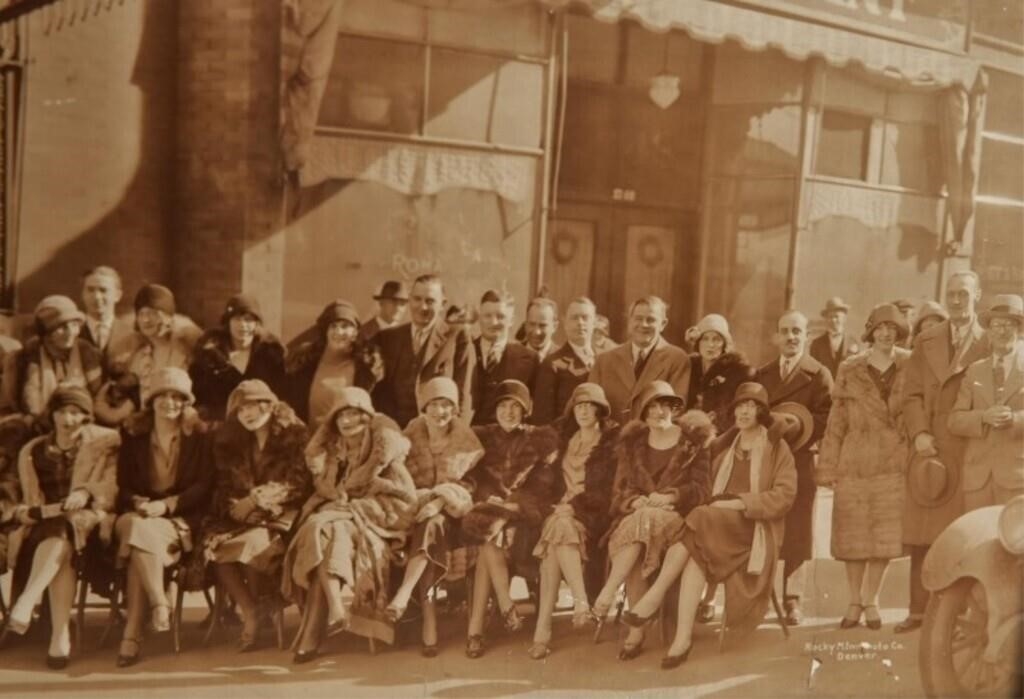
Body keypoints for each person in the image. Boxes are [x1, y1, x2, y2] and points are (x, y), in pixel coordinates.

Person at [617, 382, 796, 668]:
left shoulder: (777, 448)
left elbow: (784, 497)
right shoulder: (725, 448)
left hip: (752, 529)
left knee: (700, 516)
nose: (744, 411)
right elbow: (704, 489)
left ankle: (653, 597)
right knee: (695, 556)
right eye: (740, 405)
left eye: (751, 406)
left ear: (762, 412)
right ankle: (682, 639)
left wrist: (736, 503)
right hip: (715, 529)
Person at [285, 387, 416, 663]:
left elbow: (405, 500)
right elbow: (326, 491)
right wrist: (336, 503)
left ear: (367, 418)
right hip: (339, 521)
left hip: (376, 522)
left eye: (354, 414)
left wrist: (355, 507)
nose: (347, 422)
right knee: (327, 531)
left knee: (321, 526)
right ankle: (336, 609)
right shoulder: (335, 450)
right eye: (342, 416)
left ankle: (322, 623)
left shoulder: (385, 455)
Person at [590, 381, 712, 660]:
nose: (659, 412)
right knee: (636, 536)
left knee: (643, 525)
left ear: (674, 409)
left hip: (677, 522)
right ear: (643, 414)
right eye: (652, 407)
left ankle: (609, 593)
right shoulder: (632, 444)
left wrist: (671, 497)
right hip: (637, 521)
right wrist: (634, 500)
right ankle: (637, 627)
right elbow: (620, 490)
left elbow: (703, 490)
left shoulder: (692, 441)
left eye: (665, 405)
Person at [3, 385, 120, 668]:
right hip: (39, 529)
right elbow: (15, 494)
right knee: (59, 540)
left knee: (64, 534)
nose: (68, 420)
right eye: (62, 412)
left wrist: (87, 492)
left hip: (87, 530)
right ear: (52, 415)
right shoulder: (33, 451)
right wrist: (21, 512)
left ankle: (27, 603)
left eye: (76, 413)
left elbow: (113, 485)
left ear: (86, 418)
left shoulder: (102, 447)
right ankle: (59, 637)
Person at [900, 270, 990, 633]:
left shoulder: (989, 342)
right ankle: (918, 611)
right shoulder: (927, 340)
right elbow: (911, 394)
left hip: (970, 447)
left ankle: (958, 616)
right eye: (951, 294)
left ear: (977, 296)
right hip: (932, 447)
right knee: (923, 531)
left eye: (963, 295)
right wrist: (920, 433)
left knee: (963, 533)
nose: (956, 301)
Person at [815, 304, 910, 631]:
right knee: (852, 536)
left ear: (900, 332)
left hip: (893, 462)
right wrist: (828, 466)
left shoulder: (910, 364)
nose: (886, 334)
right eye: (880, 328)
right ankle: (853, 600)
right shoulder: (850, 367)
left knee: (883, 537)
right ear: (870, 333)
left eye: (892, 329)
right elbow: (836, 421)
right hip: (854, 462)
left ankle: (873, 599)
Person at [113, 367, 213, 666]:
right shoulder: (134, 436)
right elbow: (123, 486)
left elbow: (203, 485)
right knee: (135, 525)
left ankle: (132, 634)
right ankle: (159, 602)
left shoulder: (198, 437)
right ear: (151, 401)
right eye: (163, 396)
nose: (170, 402)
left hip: (179, 516)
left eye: (178, 397)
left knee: (138, 544)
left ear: (186, 403)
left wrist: (167, 505)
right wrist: (139, 501)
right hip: (138, 512)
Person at [202, 380, 310, 651]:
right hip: (243, 518)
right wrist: (237, 508)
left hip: (285, 515)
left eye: (252, 407)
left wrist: (257, 500)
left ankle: (264, 608)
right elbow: (224, 484)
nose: (247, 414)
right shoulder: (232, 441)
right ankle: (251, 611)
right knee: (216, 550)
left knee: (253, 546)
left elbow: (299, 483)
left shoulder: (294, 434)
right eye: (241, 410)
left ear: (270, 406)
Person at [460, 379, 558, 659]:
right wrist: (483, 498)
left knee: (486, 535)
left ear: (525, 410)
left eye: (515, 407)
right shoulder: (481, 436)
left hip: (524, 520)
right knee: (486, 530)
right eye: (503, 406)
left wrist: (511, 504)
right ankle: (502, 609)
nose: (509, 412)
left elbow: (542, 489)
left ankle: (479, 628)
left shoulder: (538, 439)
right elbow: (468, 477)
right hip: (488, 513)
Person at [385, 377, 483, 656]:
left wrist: (440, 500)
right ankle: (426, 618)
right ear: (423, 408)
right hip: (416, 513)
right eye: (435, 405)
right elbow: (401, 483)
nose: (441, 412)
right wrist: (423, 502)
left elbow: (470, 487)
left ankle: (409, 600)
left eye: (447, 406)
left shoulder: (467, 441)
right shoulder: (408, 440)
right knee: (428, 527)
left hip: (456, 517)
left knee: (434, 523)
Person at [527, 383, 619, 659]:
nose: (584, 411)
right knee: (558, 527)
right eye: (579, 406)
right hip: (558, 512)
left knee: (557, 530)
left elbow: (606, 493)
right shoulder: (563, 441)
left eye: (590, 406)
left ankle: (543, 628)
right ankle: (581, 604)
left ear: (600, 411)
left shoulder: (609, 445)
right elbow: (544, 484)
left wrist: (573, 507)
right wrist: (558, 507)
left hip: (593, 515)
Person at [753, 310, 833, 626]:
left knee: (799, 525)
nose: (791, 337)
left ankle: (793, 598)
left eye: (797, 331)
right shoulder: (762, 375)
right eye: (785, 331)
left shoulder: (819, 374)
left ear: (806, 336)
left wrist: (799, 425)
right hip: (769, 457)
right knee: (766, 521)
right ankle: (760, 594)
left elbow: (829, 416)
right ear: (776, 336)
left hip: (801, 458)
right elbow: (755, 414)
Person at [948, 294, 1024, 510]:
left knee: (1017, 540)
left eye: (1009, 324)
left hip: (1018, 477)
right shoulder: (975, 370)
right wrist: (983, 417)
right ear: (989, 331)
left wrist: (1016, 419)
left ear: (1019, 329)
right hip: (978, 479)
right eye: (997, 324)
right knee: (978, 538)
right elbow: (955, 420)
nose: (1002, 331)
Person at [372, 274, 475, 428]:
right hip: (396, 433)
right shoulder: (388, 338)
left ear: (442, 304)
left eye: (430, 301)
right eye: (417, 299)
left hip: (438, 433)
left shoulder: (457, 337)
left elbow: (465, 393)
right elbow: (379, 393)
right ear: (409, 300)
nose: (423, 307)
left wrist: (455, 435)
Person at [100, 284, 202, 423]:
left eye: (153, 313)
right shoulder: (138, 356)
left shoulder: (185, 353)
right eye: (141, 314)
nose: (146, 320)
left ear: (168, 317)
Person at [589, 296, 691, 423]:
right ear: (629, 321)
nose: (643, 324)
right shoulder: (604, 360)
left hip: (653, 439)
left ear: (663, 324)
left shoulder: (677, 359)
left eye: (651, 320)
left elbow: (676, 409)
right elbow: (591, 405)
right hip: (611, 439)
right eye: (638, 318)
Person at [1, 296, 104, 418]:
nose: (70, 332)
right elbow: (31, 398)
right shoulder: (33, 352)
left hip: (82, 419)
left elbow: (98, 396)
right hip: (43, 421)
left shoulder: (86, 351)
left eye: (74, 325)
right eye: (62, 327)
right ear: (46, 334)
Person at [285, 299, 381, 429]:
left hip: (348, 444)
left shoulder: (368, 367)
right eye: (333, 326)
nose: (338, 332)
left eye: (344, 326)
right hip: (307, 444)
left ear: (355, 332)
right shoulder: (304, 363)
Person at [189, 294, 287, 420]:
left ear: (257, 323)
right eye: (236, 319)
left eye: (248, 319)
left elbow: (280, 394)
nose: (242, 325)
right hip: (218, 426)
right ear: (227, 322)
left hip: (259, 425)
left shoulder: (270, 356)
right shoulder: (209, 356)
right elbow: (197, 395)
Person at [471, 290, 538, 426]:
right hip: (469, 436)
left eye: (500, 316)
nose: (493, 322)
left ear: (511, 320)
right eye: (487, 316)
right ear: (479, 318)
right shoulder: (466, 351)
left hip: (508, 440)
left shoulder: (529, 358)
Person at [532, 297, 598, 425]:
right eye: (574, 318)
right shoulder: (552, 363)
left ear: (594, 323)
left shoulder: (605, 359)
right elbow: (542, 417)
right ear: (565, 323)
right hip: (565, 439)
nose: (580, 323)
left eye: (585, 317)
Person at [685, 314, 755, 434]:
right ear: (698, 343)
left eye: (716, 339)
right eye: (705, 339)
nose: (710, 345)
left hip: (723, 434)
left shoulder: (737, 371)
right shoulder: (690, 366)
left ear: (724, 344)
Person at [79, 266, 135, 364]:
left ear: (117, 295)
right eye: (90, 290)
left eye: (103, 290)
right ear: (83, 294)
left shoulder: (132, 335)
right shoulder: (73, 333)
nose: (96, 297)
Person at [809, 297, 860, 381]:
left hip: (846, 391)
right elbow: (812, 373)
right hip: (824, 391)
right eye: (830, 317)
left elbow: (857, 371)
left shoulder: (852, 342)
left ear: (844, 318)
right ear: (826, 319)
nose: (833, 320)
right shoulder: (816, 344)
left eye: (836, 316)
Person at [521, 297, 559, 362]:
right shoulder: (511, 356)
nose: (537, 332)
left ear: (554, 327)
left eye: (542, 325)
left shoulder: (562, 358)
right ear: (525, 324)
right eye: (532, 324)